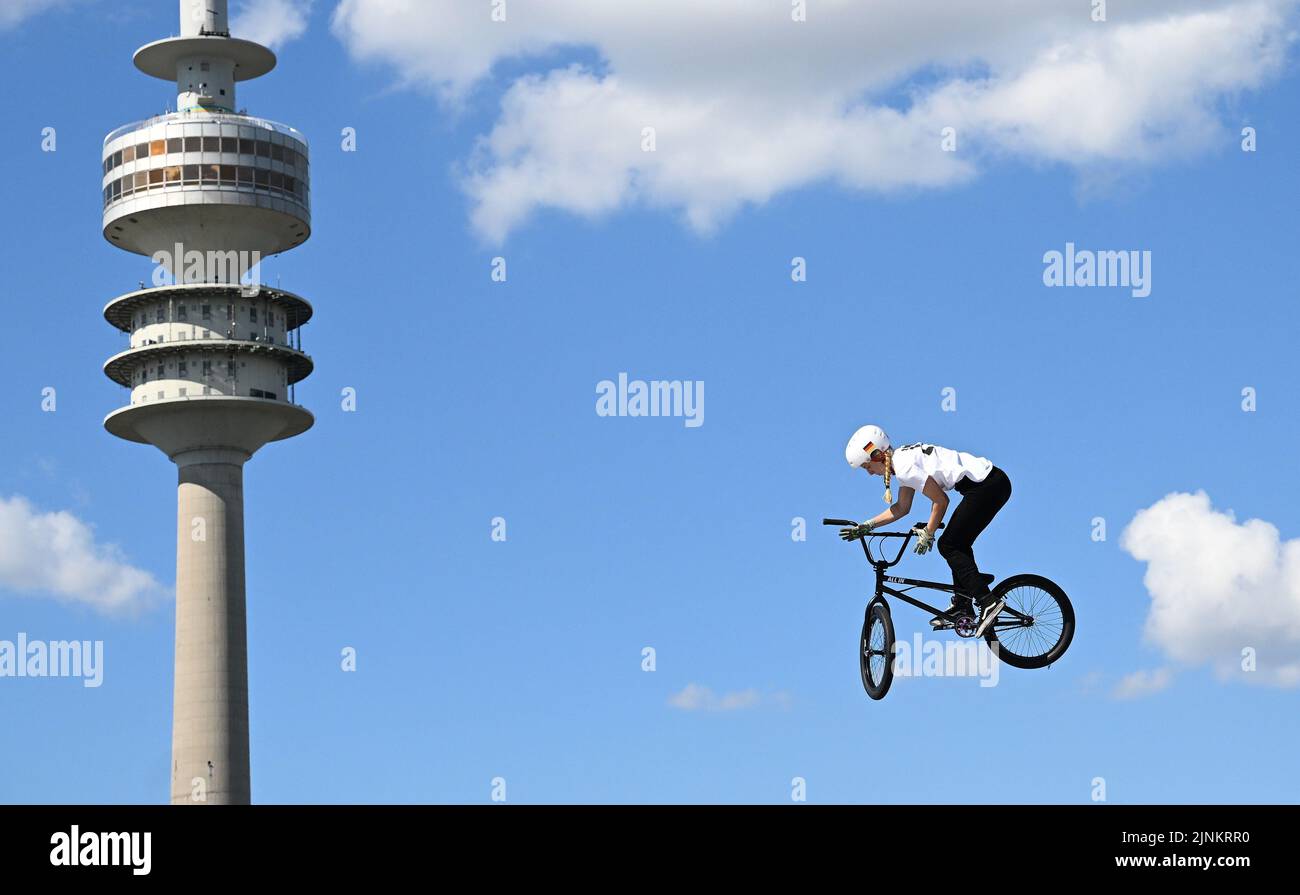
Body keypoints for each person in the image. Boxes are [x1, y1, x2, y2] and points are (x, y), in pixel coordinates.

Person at [840, 424, 1012, 636]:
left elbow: (940, 501)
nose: (868, 473)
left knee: (949, 544)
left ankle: (987, 602)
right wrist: (866, 526)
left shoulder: (904, 466)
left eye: (866, 467)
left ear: (877, 455)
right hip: (987, 486)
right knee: (957, 543)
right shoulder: (902, 461)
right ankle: (963, 603)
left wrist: (929, 533)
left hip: (988, 487)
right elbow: (901, 508)